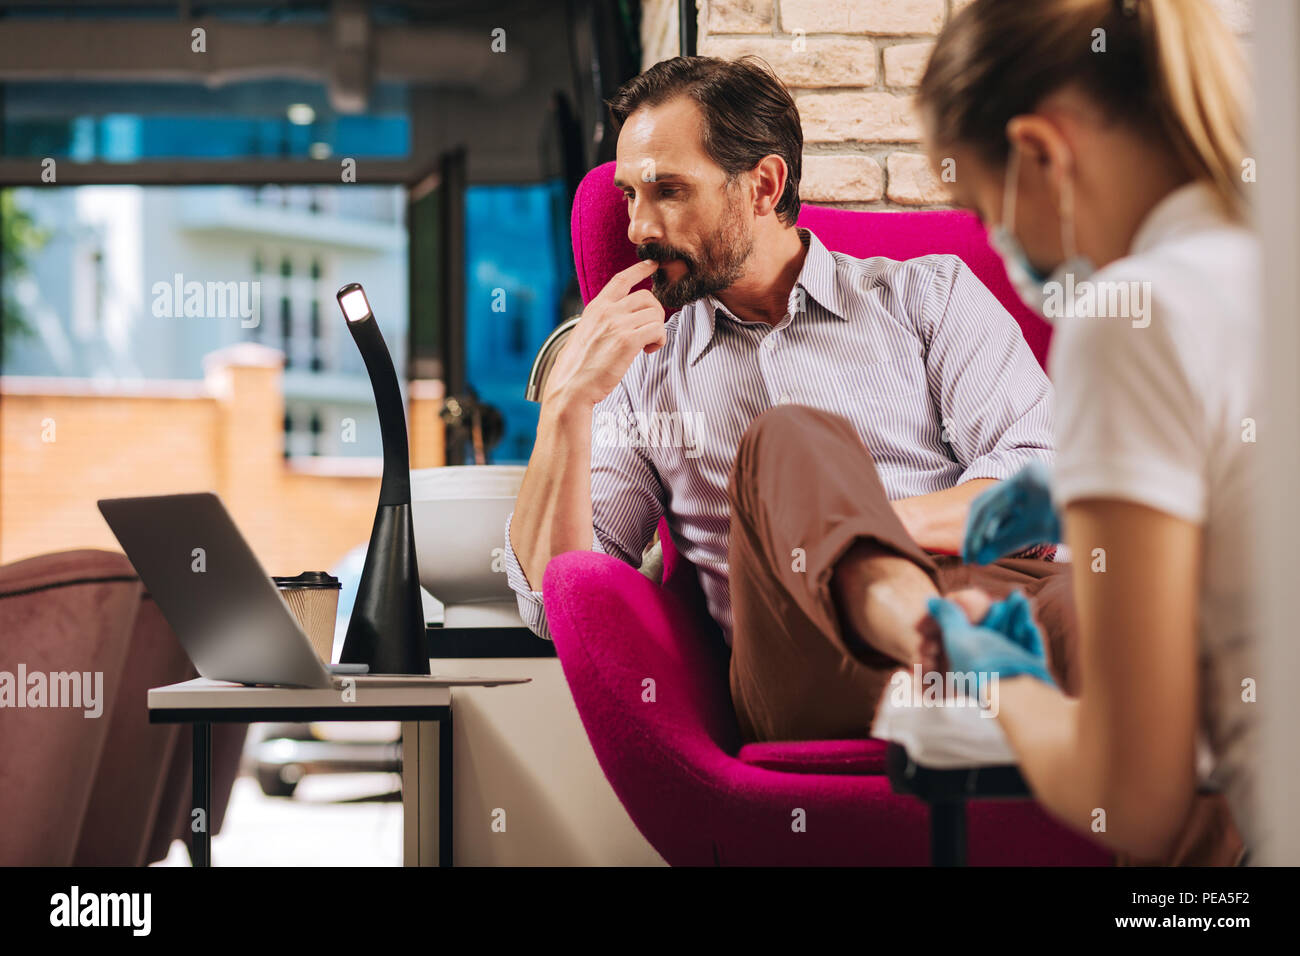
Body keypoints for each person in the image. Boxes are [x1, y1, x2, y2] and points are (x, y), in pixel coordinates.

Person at [508, 56, 1061, 793]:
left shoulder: (929, 296)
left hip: (1004, 605)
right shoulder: (639, 368)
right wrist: (568, 403)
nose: (639, 226)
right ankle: (935, 645)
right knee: (788, 439)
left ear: (764, 185)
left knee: (1182, 605)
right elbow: (559, 599)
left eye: (669, 191)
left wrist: (836, 524)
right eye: (631, 195)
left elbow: (1038, 479)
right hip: (807, 653)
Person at [917, 0, 1259, 864]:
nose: (998, 242)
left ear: (1038, 152)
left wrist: (1006, 687)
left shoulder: (1130, 314)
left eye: (981, 204)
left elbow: (1132, 801)